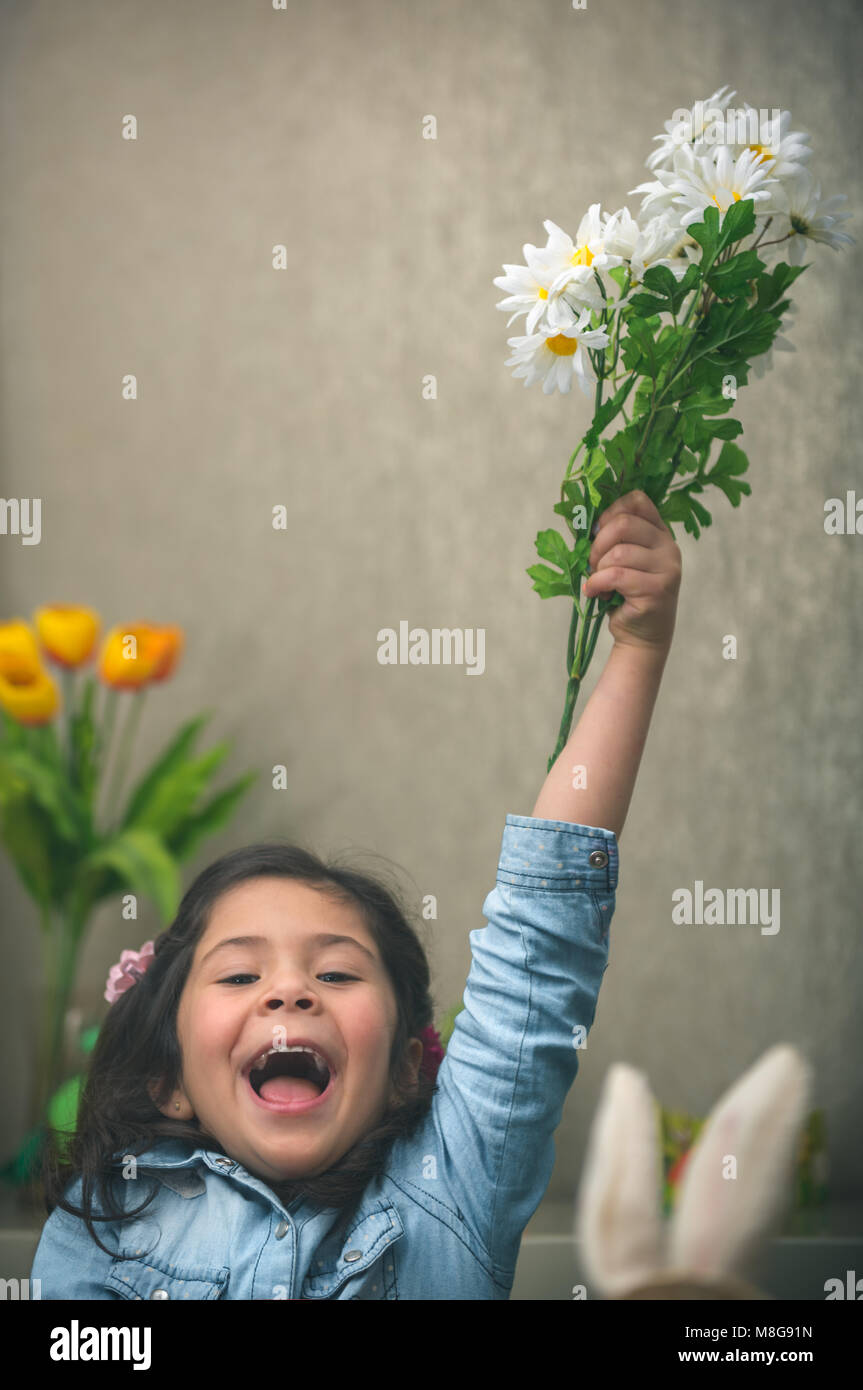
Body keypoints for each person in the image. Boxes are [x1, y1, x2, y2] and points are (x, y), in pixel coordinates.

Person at [31, 488, 681, 1300]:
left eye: (336, 974)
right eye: (238, 976)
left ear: (410, 1071)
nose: (290, 990)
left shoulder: (454, 1188)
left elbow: (539, 944)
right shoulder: (102, 1223)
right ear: (169, 1077)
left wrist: (639, 649)